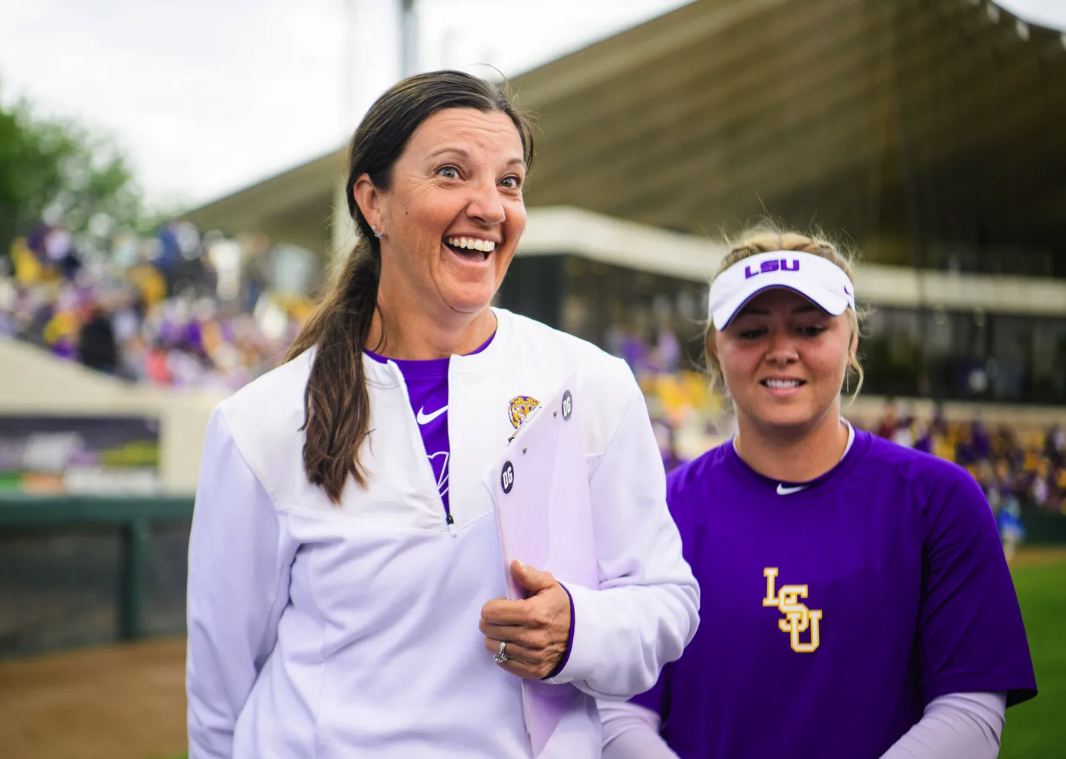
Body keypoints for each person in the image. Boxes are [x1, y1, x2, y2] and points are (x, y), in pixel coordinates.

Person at [185, 70, 698, 759]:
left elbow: (666, 602)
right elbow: (219, 696)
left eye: (509, 182)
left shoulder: (591, 384)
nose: (490, 207)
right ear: (374, 201)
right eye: (452, 173)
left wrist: (578, 628)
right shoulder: (260, 423)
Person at [599, 228, 1036, 759]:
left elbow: (971, 709)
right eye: (753, 332)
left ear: (851, 341)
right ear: (716, 347)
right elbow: (620, 709)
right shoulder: (660, 511)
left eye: (810, 329)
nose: (782, 352)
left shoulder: (938, 502)